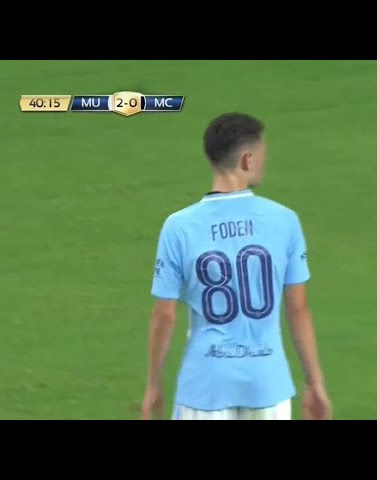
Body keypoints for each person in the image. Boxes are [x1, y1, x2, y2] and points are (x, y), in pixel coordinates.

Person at [141, 113, 332, 420]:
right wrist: (315, 382)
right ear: (247, 160)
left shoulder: (179, 227)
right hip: (267, 384)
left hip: (205, 385)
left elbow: (164, 314)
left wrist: (154, 383)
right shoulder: (284, 221)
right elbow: (297, 309)